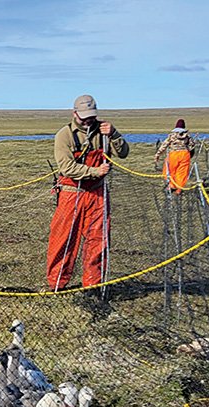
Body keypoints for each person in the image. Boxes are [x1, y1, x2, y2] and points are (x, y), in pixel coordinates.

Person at [47, 94, 130, 292]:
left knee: (98, 240)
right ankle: (56, 284)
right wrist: (94, 172)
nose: (88, 120)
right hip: (71, 192)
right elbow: (66, 167)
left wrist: (114, 134)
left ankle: (93, 285)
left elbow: (124, 153)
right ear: (74, 113)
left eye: (91, 116)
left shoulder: (105, 131)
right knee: (63, 239)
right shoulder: (64, 135)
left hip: (98, 193)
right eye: (84, 116)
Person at [154, 118, 196, 193]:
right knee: (182, 172)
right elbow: (191, 146)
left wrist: (158, 154)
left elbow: (164, 145)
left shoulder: (171, 135)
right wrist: (190, 155)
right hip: (185, 154)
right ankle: (179, 188)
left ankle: (171, 186)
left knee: (169, 170)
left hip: (173, 154)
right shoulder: (188, 136)